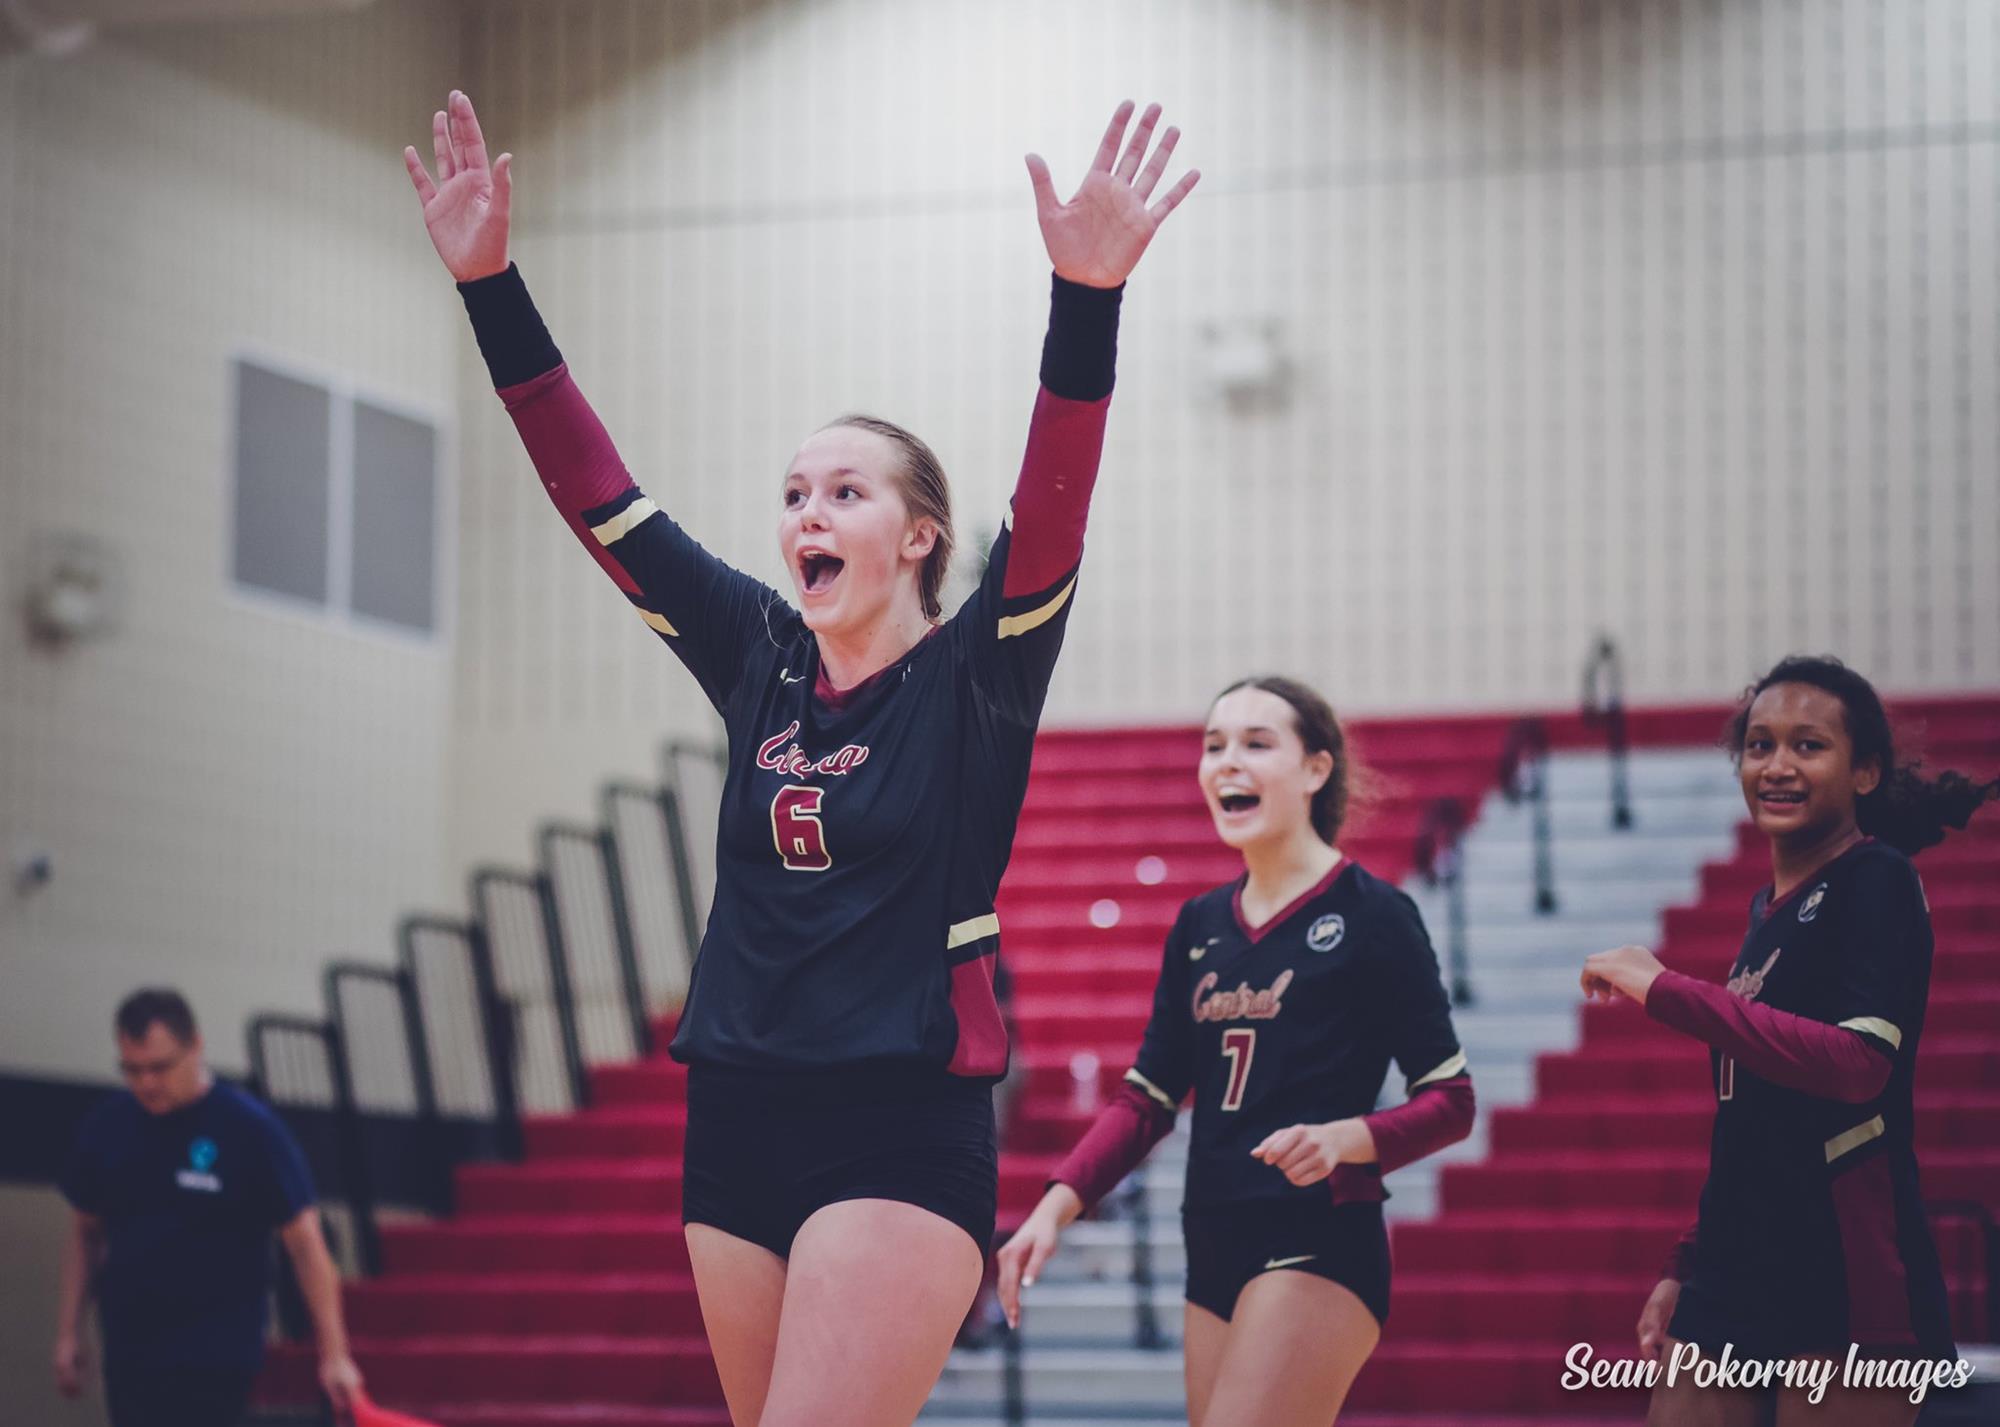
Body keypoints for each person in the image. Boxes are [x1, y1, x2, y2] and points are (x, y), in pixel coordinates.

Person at [402, 90, 1197, 1427]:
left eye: (845, 491)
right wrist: (490, 287)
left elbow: (1054, 505)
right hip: (736, 1116)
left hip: (897, 1121)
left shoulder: (979, 671)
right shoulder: (757, 650)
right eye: (791, 493)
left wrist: (1086, 299)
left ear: (921, 536)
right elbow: (598, 497)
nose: (806, 514)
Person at [996, 677, 1476, 1427]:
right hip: (1212, 1241)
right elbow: (1147, 1097)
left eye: (1257, 743)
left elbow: (1452, 1099)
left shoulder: (1376, 915)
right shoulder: (1199, 925)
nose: (1227, 762)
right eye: (1214, 745)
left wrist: (1349, 1138)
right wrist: (1053, 1209)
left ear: (1316, 769)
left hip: (1320, 1239)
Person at [1582, 656, 1998, 1427]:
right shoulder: (1764, 916)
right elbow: (1754, 1127)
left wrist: (1668, 988)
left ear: (1864, 771)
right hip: (1734, 1270)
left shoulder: (1878, 879)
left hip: (1844, 1267)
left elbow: (1857, 1065)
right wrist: (1687, 1261)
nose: (1777, 764)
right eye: (1760, 744)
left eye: (1808, 745)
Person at [53, 988, 365, 1427]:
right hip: (131, 1341)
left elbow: (307, 1245)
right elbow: (85, 1232)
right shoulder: (109, 1125)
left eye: (160, 1068)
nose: (146, 1083)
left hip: (215, 1348)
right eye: (132, 1070)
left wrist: (335, 1355)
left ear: (195, 1046)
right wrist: (70, 1330)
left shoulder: (247, 1128)